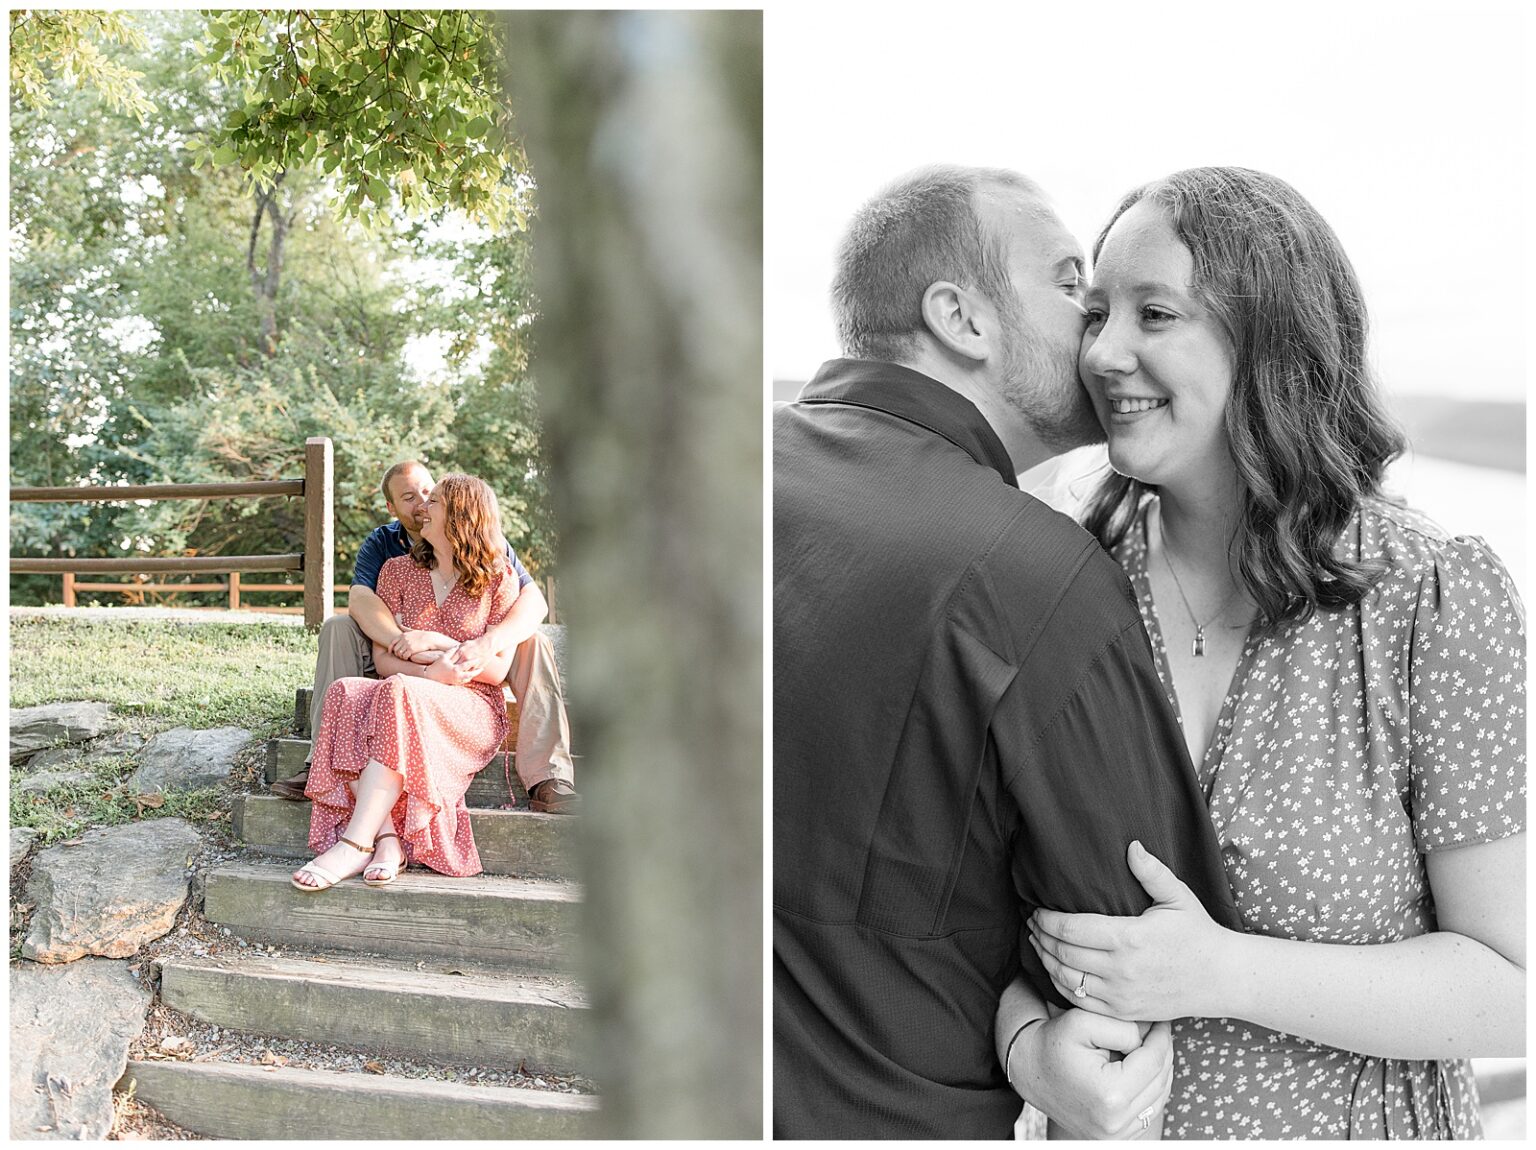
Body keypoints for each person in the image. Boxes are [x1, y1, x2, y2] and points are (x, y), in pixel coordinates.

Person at [1012, 166, 1526, 1138]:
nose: (1104, 352)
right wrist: (1025, 1048)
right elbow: (979, 913)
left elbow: (1513, 988)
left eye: (1155, 313)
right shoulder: (1056, 578)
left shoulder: (1429, 595)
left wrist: (1220, 972)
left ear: (1270, 343)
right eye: (1097, 313)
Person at [773, 164, 1244, 1140]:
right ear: (962, 318)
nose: (1099, 338)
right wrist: (1031, 1038)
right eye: (1074, 288)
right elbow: (1134, 947)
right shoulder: (1035, 576)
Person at [271, 459, 578, 814]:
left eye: (428, 493)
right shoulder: (384, 545)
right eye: (409, 497)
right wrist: (405, 644)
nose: (421, 504)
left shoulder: (484, 541)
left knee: (534, 641)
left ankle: (548, 776)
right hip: (403, 651)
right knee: (337, 627)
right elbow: (361, 599)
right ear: (391, 508)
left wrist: (485, 644)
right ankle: (321, 760)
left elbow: (533, 600)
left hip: (473, 657)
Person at [293, 474, 526, 889]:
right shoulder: (398, 571)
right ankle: (386, 841)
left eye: (433, 501)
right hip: (411, 687)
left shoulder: (499, 577)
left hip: (470, 704)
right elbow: (384, 660)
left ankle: (354, 842)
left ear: (460, 514)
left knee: (399, 691)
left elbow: (496, 670)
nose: (423, 508)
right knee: (346, 692)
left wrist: (436, 642)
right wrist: (430, 673)